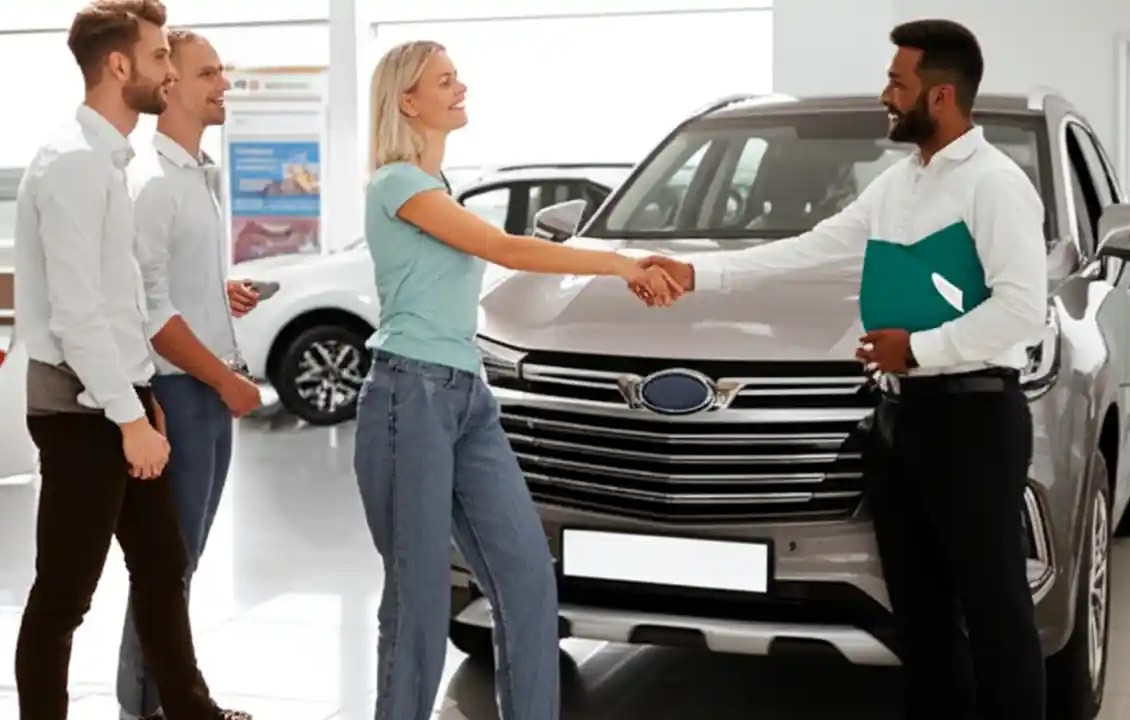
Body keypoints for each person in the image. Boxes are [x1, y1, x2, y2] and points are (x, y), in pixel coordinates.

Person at [635, 19, 1048, 720]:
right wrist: (694, 272)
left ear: (941, 96)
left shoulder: (995, 185)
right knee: (920, 617)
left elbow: (1021, 312)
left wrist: (916, 350)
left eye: (898, 81)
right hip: (900, 421)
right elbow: (809, 248)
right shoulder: (900, 185)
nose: (885, 94)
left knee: (996, 611)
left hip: (974, 422)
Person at [356, 40, 682, 720]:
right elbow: (504, 248)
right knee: (417, 601)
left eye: (457, 77)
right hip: (407, 396)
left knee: (528, 578)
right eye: (444, 81)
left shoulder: (436, 186)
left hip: (466, 396)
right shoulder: (396, 183)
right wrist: (620, 264)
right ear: (407, 101)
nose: (460, 87)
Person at [11, 2, 248, 719]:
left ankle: (188, 708)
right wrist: (129, 418)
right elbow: (77, 318)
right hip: (82, 410)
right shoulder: (75, 165)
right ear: (119, 66)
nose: (169, 72)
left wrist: (141, 404)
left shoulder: (106, 160)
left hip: (123, 398)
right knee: (63, 594)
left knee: (162, 566)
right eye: (158, 58)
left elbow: (115, 308)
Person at [115, 28, 262, 720]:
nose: (222, 84)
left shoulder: (193, 177)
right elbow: (147, 311)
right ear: (169, 85)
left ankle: (172, 701)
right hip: (182, 392)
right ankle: (146, 708)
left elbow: (169, 287)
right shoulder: (151, 183)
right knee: (165, 570)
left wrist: (217, 292)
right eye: (209, 73)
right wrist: (225, 380)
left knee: (179, 565)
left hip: (200, 390)